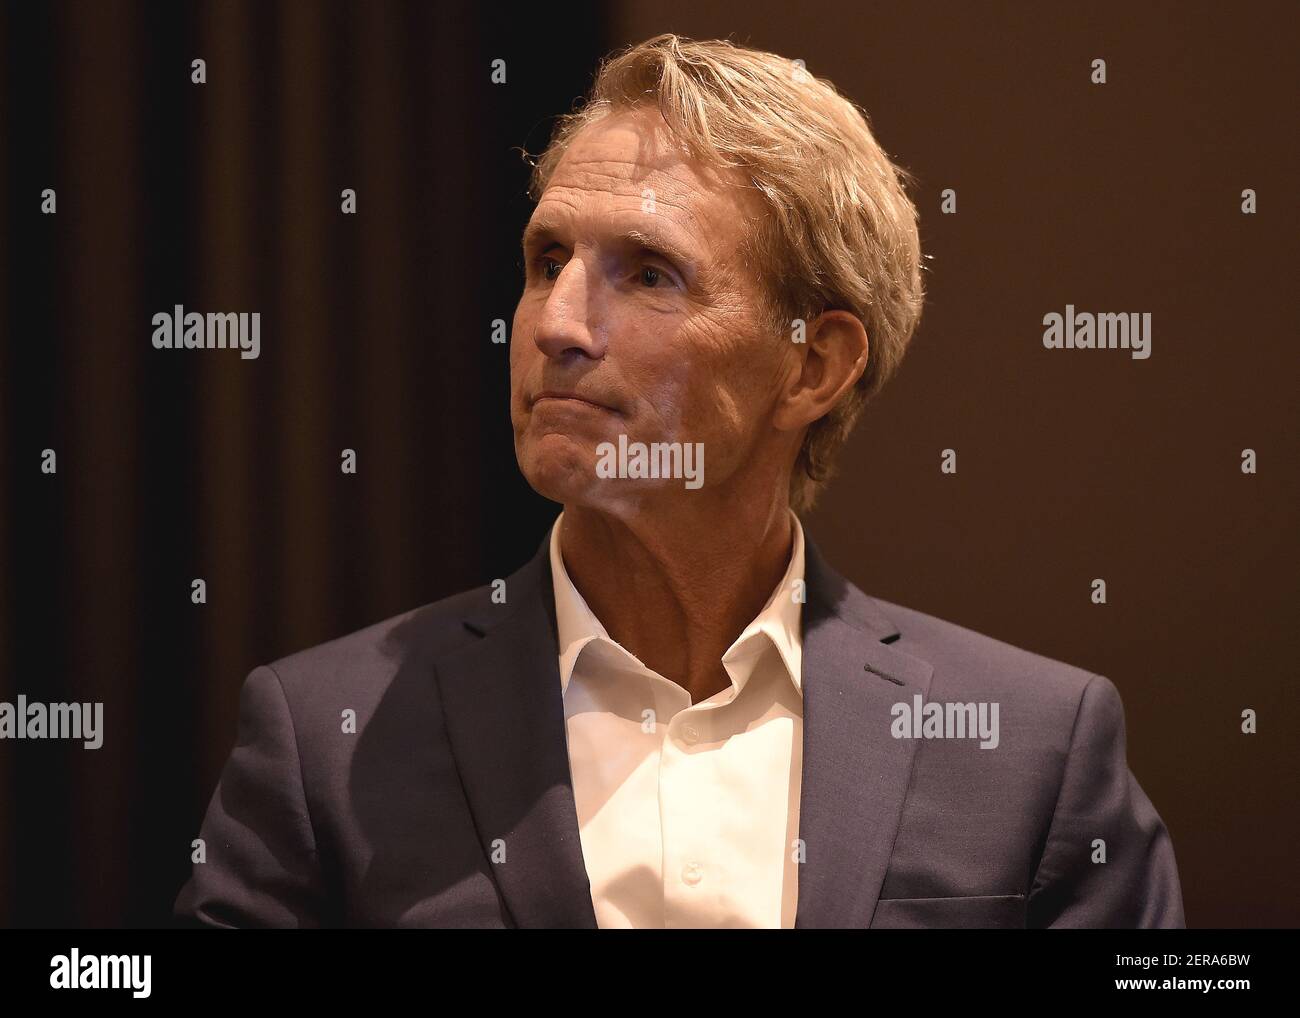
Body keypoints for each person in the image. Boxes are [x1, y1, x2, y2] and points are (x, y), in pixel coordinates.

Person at [174, 34, 1184, 929]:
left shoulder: (1032, 749)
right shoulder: (326, 738)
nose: (558, 324)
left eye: (649, 273)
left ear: (811, 365)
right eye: (548, 257)